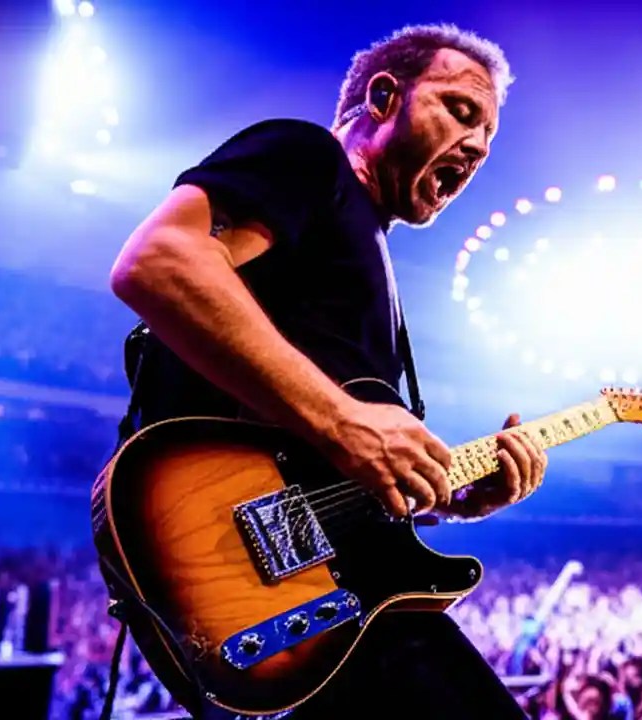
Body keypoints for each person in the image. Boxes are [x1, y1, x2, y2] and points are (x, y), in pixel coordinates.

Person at [107, 22, 546, 720]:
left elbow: (328, 465)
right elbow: (159, 262)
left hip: (313, 583)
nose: (475, 148)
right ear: (382, 97)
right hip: (254, 563)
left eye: (488, 142)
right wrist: (342, 420)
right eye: (461, 112)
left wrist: (448, 497)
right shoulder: (307, 157)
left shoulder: (372, 265)